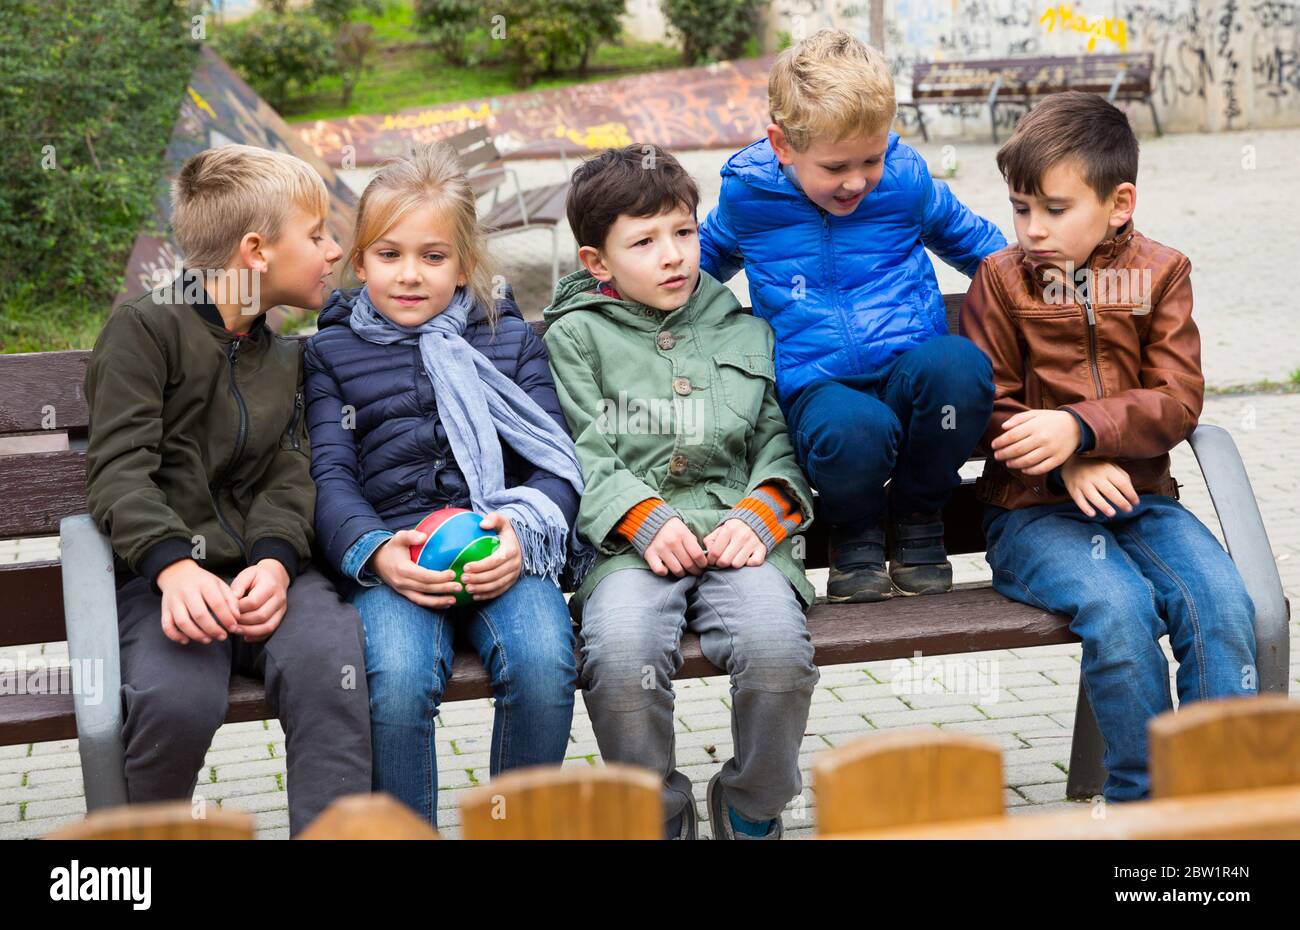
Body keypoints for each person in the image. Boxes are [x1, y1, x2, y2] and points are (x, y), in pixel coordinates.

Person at [959, 91, 1258, 801]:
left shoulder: (1162, 273)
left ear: (1118, 203)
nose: (1032, 229)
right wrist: (1067, 454)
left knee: (1221, 607)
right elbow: (983, 406)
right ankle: (1142, 808)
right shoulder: (1000, 282)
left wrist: (1085, 426)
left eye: (1054, 210)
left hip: (1142, 502)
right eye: (1020, 208)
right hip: (1031, 513)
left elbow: (1178, 398)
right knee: (1121, 612)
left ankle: (1214, 804)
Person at [85, 144, 371, 835]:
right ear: (256, 251)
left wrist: (275, 561)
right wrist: (175, 569)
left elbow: (289, 471)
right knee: (172, 700)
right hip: (166, 583)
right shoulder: (144, 332)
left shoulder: (285, 355)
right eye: (317, 235)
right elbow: (120, 470)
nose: (334, 252)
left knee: (332, 670)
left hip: (272, 581)